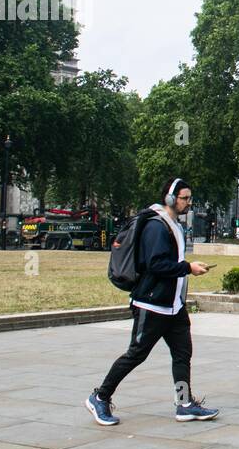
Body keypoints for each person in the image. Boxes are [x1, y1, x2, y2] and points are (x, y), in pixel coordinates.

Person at [86, 178, 218, 425]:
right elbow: (156, 264)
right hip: (152, 304)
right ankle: (100, 397)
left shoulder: (173, 225)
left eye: (189, 198)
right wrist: (188, 268)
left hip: (173, 306)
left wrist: (186, 269)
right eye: (184, 198)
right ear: (170, 199)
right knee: (136, 354)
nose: (189, 203)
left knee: (182, 354)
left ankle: (184, 404)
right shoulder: (157, 226)